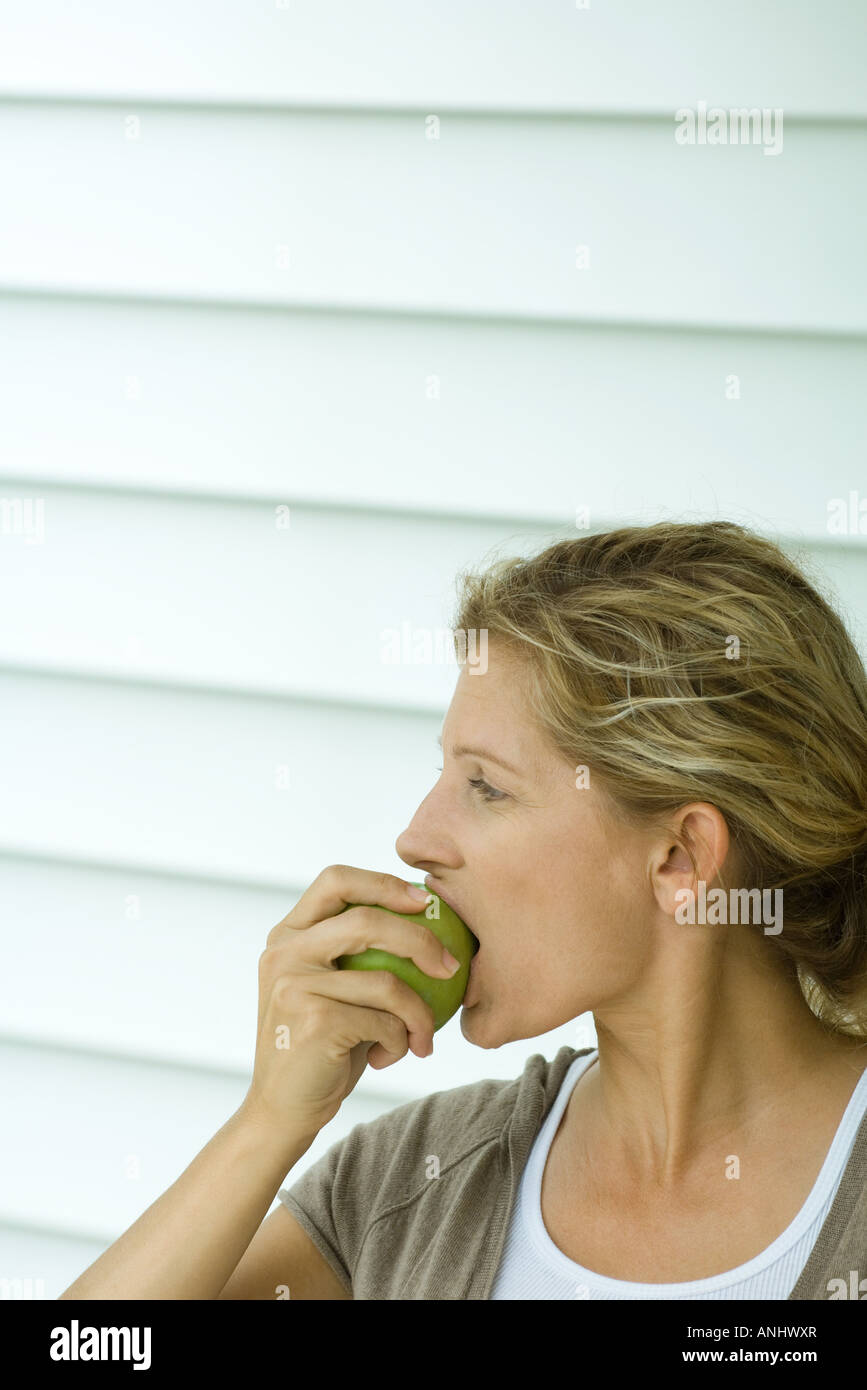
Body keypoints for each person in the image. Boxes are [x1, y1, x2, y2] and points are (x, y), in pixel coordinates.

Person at [60, 520, 867, 1300]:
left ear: (678, 857)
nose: (414, 838)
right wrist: (267, 1124)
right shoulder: (411, 1183)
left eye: (486, 786)